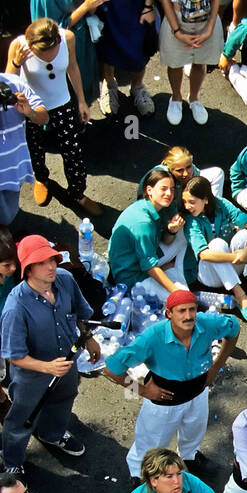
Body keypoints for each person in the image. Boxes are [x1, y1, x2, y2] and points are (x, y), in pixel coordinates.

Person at [101, 289, 239, 480]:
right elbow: (111, 368)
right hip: (164, 400)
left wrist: (216, 368)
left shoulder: (207, 323)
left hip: (198, 391)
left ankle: (190, 456)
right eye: (182, 311)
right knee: (151, 444)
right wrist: (142, 391)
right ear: (169, 314)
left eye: (192, 310)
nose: (189, 316)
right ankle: (139, 473)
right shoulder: (152, 337)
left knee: (194, 430)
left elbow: (234, 329)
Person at [0, 234, 99, 475]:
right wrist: (47, 368)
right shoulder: (15, 307)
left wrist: (89, 338)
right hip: (31, 376)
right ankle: (12, 462)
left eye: (52, 259)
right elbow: (14, 355)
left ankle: (52, 434)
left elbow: (78, 313)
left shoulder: (65, 280)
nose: (51, 266)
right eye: (43, 262)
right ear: (28, 269)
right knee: (23, 418)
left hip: (66, 363)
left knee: (65, 397)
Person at [7, 18, 100, 215]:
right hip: (31, 107)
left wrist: (81, 100)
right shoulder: (18, 45)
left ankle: (77, 193)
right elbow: (7, 82)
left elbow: (72, 67)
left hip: (61, 102)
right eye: (42, 56)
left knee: (73, 151)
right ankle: (41, 178)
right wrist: (16, 63)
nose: (49, 60)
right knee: (35, 148)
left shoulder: (67, 38)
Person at [180, 175, 247, 323]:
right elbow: (204, 255)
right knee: (216, 244)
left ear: (205, 200)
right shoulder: (190, 220)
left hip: (233, 265)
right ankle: (241, 297)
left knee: (245, 234)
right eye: (185, 202)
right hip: (209, 274)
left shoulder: (221, 204)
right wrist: (235, 257)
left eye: (192, 202)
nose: (187, 206)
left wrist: (245, 252)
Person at [107, 168, 189, 303]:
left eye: (172, 189)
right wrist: (176, 292)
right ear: (149, 190)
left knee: (183, 233)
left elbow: (165, 241)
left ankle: (177, 273)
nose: (169, 193)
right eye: (163, 189)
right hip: (132, 277)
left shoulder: (152, 206)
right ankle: (178, 283)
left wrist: (171, 231)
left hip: (143, 260)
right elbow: (150, 267)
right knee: (183, 300)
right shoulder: (142, 223)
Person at [158, 0, 224, 126]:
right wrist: (177, 32)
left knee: (200, 61)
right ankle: (176, 97)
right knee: (175, 63)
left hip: (206, 19)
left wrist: (209, 29)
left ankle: (194, 98)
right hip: (176, 19)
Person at [0, 63, 49, 225]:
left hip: (13, 170)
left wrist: (30, 112)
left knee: (8, 215)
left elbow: (44, 118)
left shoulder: (15, 84)